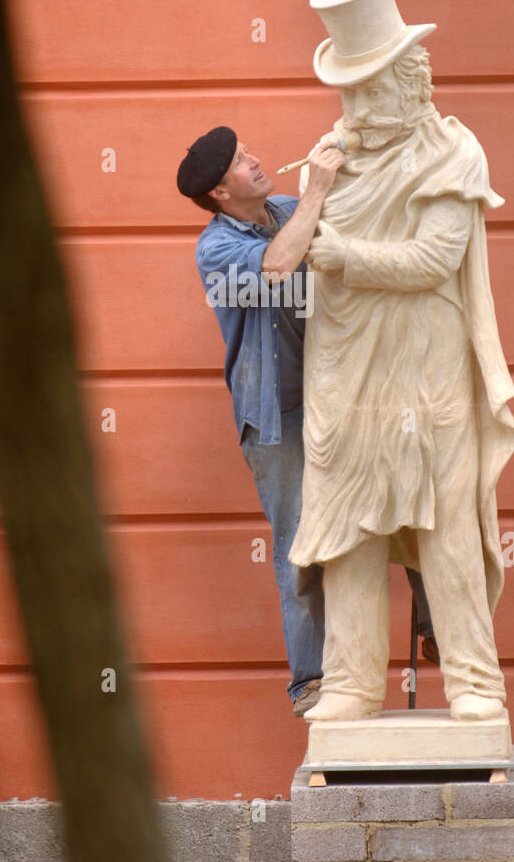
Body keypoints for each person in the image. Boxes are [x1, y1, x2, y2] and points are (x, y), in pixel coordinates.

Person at [288, 0, 514, 724]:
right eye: (346, 91)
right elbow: (290, 246)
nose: (353, 107)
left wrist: (343, 256)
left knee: (443, 522)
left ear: (409, 81)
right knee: (348, 529)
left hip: (426, 372)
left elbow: (433, 262)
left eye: (368, 89)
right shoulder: (332, 156)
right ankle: (352, 683)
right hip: (343, 372)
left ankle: (473, 680)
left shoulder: (451, 153)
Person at [177, 125, 438, 717]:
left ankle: (435, 624)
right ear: (220, 192)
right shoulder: (215, 249)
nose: (258, 160)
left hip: (340, 400)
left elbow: (359, 218)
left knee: (406, 492)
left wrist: (357, 147)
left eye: (248, 151)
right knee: (302, 547)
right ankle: (311, 681)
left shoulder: (289, 208)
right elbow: (276, 269)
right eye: (244, 163)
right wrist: (317, 192)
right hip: (276, 419)